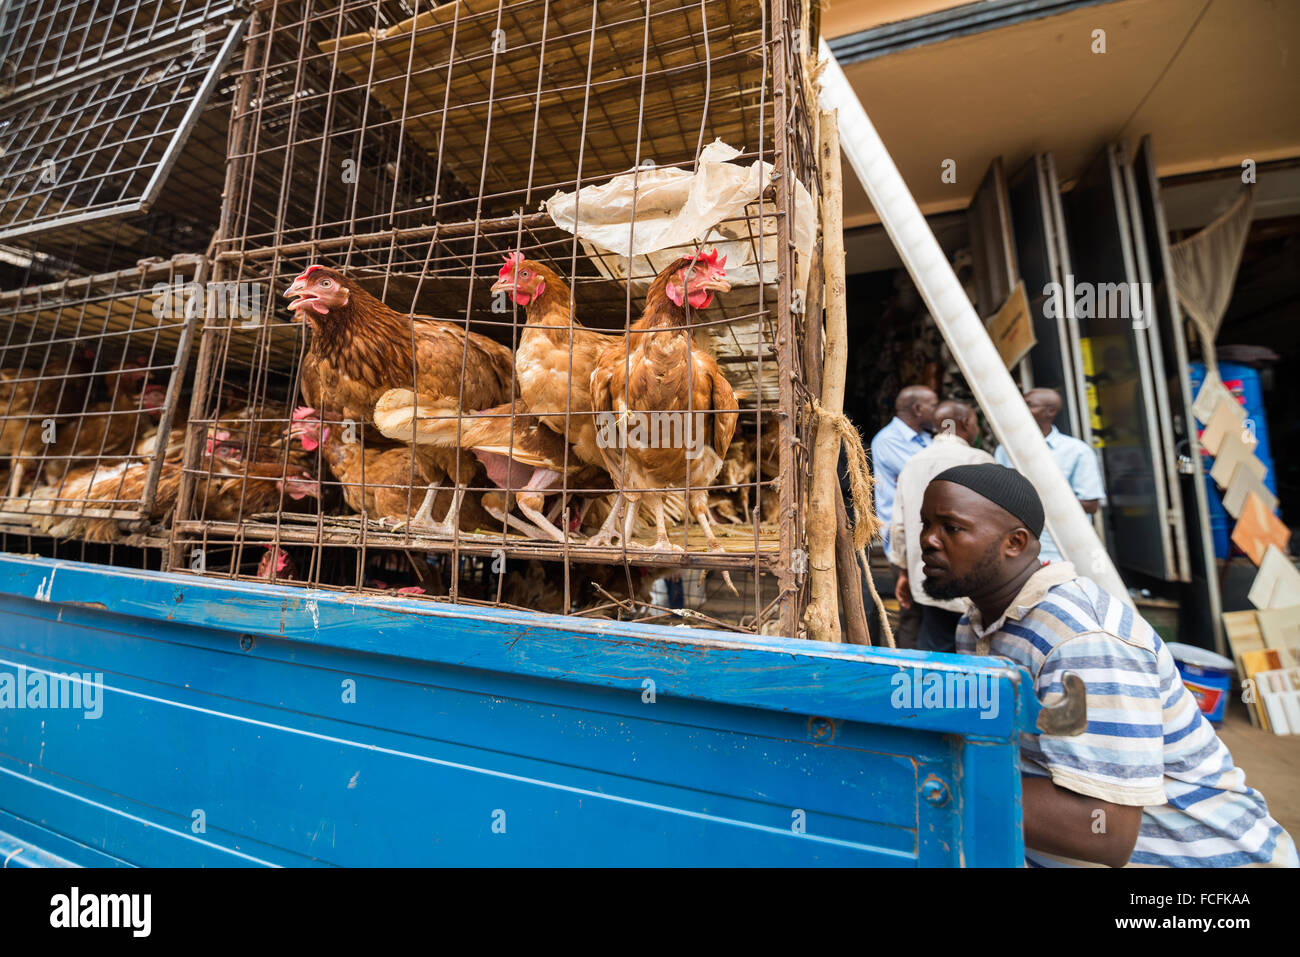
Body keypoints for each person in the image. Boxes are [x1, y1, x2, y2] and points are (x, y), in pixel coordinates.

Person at [917, 463, 1297, 867]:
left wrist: (928, 780)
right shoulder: (976, 625)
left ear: (1015, 543)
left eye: (951, 528)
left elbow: (1102, 830)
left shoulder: (1080, 640)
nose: (928, 540)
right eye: (925, 524)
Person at [888, 400, 993, 653]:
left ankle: (932, 691)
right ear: (967, 423)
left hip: (929, 576)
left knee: (936, 646)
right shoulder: (980, 460)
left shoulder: (913, 463)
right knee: (977, 650)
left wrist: (903, 571)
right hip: (974, 583)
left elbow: (899, 526)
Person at [994, 388, 1104, 563]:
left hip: (1065, 551)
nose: (1019, 407)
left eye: (1029, 404)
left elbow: (1090, 505)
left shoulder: (1078, 451)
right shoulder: (1005, 449)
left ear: (1050, 412)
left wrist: (1037, 498)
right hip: (1019, 550)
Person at [871, 386, 937, 648]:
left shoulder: (926, 438)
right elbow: (932, 474)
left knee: (930, 606)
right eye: (933, 404)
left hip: (924, 534)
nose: (938, 409)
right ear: (918, 409)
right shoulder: (888, 440)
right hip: (904, 538)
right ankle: (910, 667)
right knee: (912, 608)